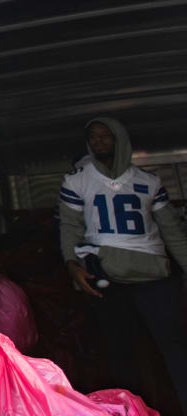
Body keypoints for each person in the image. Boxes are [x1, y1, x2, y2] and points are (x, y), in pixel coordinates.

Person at [59, 117, 187, 412]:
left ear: (120, 140)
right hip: (109, 276)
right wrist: (72, 264)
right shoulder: (77, 181)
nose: (99, 141)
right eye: (93, 137)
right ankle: (129, 411)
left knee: (174, 347)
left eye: (106, 136)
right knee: (119, 355)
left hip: (153, 275)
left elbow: (172, 232)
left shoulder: (148, 181)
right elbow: (70, 228)